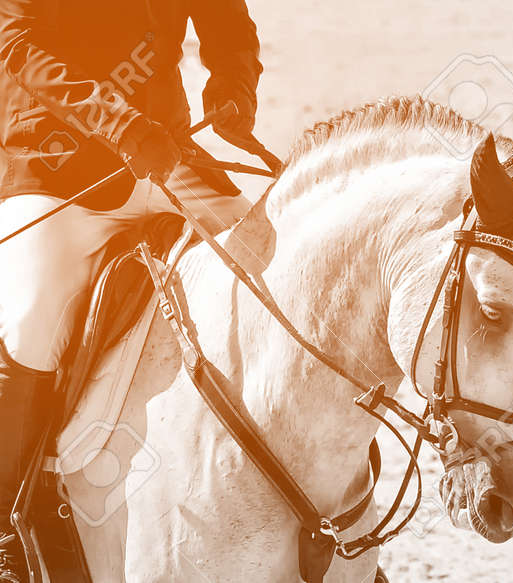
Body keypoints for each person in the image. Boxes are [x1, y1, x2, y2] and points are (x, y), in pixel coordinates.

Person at [0, 1, 263, 579]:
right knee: (30, 322)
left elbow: (227, 25)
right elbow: (16, 43)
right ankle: (5, 531)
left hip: (168, 157)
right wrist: (117, 123)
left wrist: (233, 87)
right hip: (56, 167)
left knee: (271, 262)